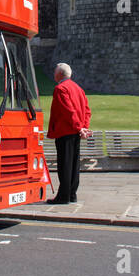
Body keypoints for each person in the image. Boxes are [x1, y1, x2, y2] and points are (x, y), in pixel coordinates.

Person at [47, 63, 92, 203]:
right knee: (74, 164)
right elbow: (87, 111)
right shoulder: (79, 89)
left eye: (55, 71)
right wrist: (83, 128)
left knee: (64, 164)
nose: (54, 73)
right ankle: (72, 194)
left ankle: (64, 195)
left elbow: (68, 111)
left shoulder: (60, 88)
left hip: (65, 130)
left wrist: (79, 128)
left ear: (59, 74)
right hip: (76, 131)